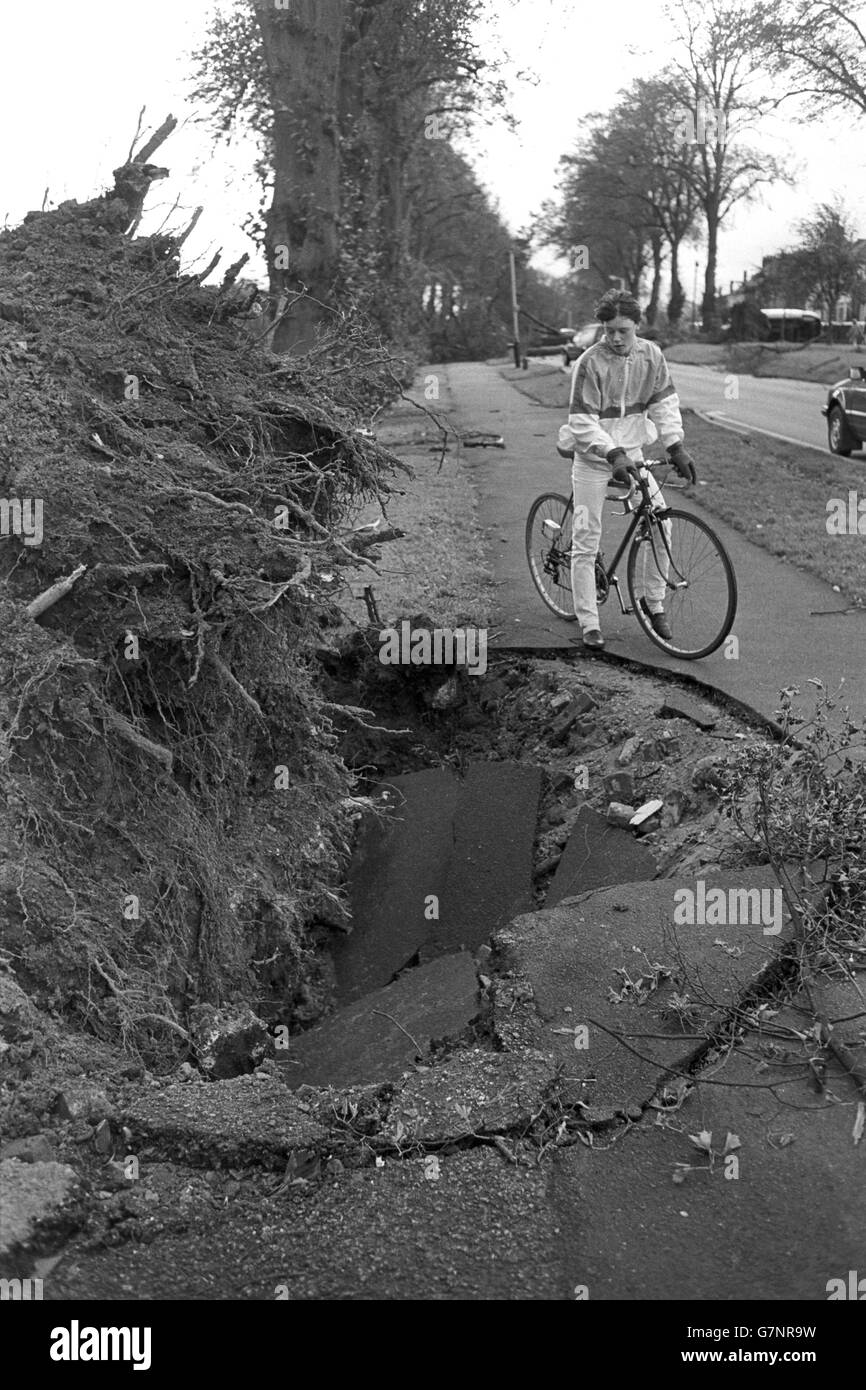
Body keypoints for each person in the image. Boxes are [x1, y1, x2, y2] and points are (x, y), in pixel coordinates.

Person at [557, 288, 696, 649]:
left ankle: (653, 603)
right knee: (587, 539)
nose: (616, 338)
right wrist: (611, 452)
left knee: (662, 523)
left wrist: (675, 446)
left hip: (631, 453)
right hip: (593, 458)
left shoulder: (652, 356)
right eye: (609, 330)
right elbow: (582, 422)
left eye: (624, 330)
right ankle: (589, 622)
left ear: (637, 325)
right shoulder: (589, 362)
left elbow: (665, 405)